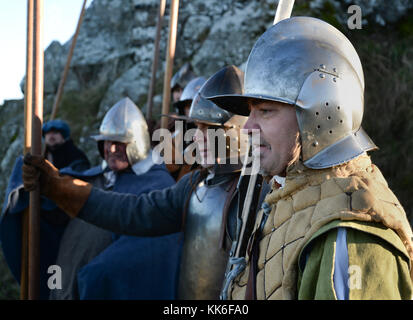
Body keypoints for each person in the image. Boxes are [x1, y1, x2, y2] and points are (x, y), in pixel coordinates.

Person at [205, 17, 413, 299]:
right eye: (250, 112)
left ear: (323, 113)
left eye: (265, 111)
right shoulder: (289, 197)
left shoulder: (348, 234)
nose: (249, 128)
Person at [21, 66, 269, 299]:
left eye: (209, 128)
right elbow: (133, 212)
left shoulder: (266, 191)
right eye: (197, 127)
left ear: (238, 131)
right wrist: (62, 188)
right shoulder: (195, 185)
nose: (197, 137)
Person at [2, 97, 181, 300]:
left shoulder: (157, 186)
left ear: (137, 144)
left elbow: (148, 252)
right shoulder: (94, 177)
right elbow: (56, 201)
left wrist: (95, 277)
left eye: (119, 143)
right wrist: (29, 182)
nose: (111, 149)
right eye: (107, 142)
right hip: (63, 285)